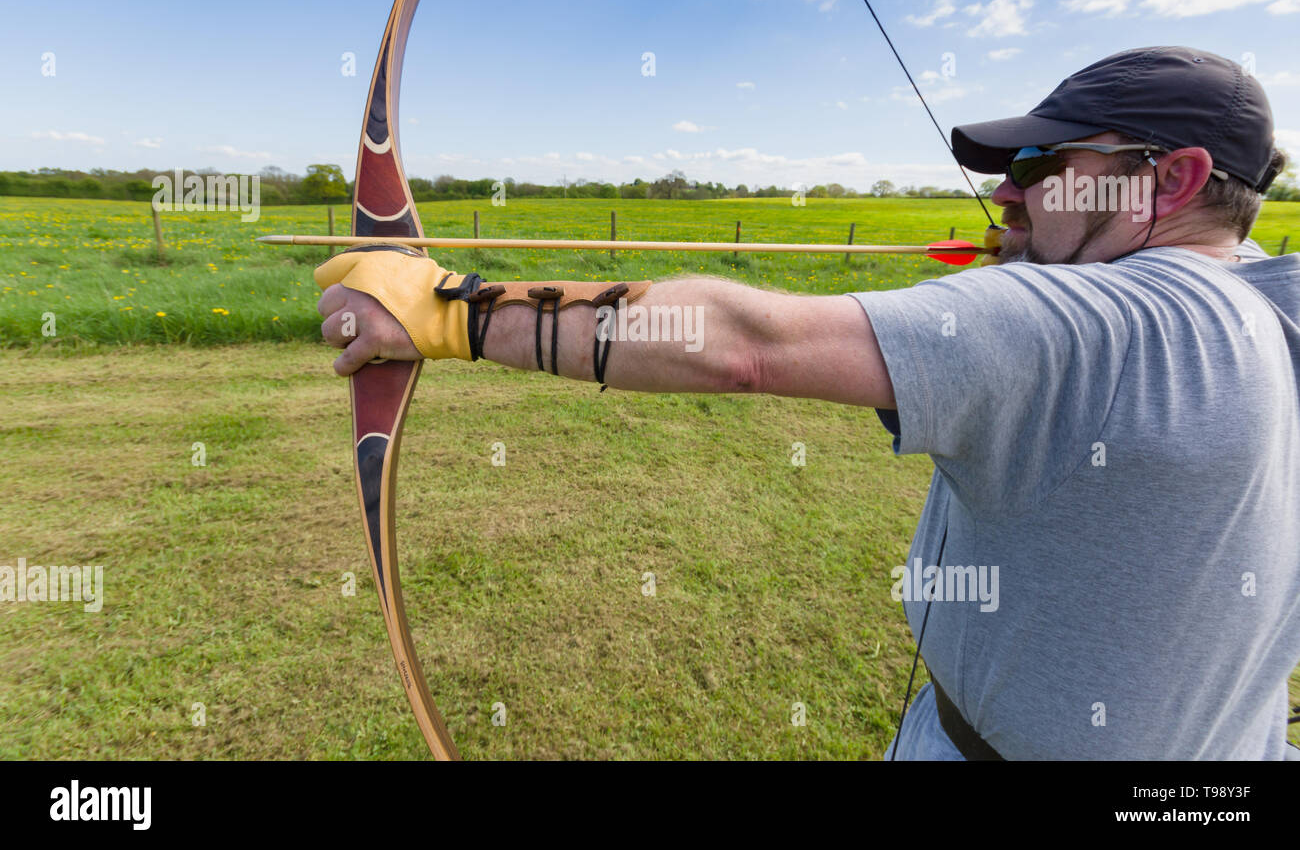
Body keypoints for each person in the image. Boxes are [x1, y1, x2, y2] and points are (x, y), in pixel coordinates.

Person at [315, 46, 1299, 759]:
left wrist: (446, 314)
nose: (1008, 194)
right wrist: (1050, 244)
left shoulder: (1089, 320)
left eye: (1045, 168)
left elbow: (742, 344)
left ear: (1170, 178)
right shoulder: (1268, 306)